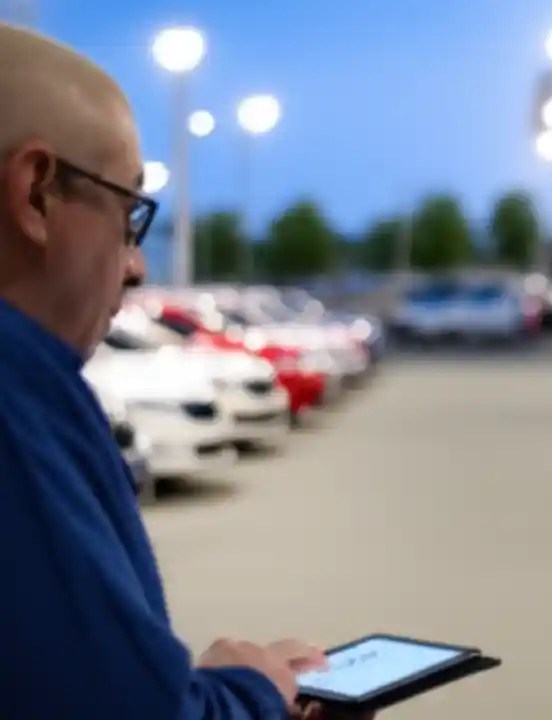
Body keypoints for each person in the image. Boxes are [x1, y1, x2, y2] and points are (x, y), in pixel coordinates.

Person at [0, 23, 365, 720]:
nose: (136, 266)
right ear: (36, 192)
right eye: (129, 213)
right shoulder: (18, 392)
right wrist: (249, 698)